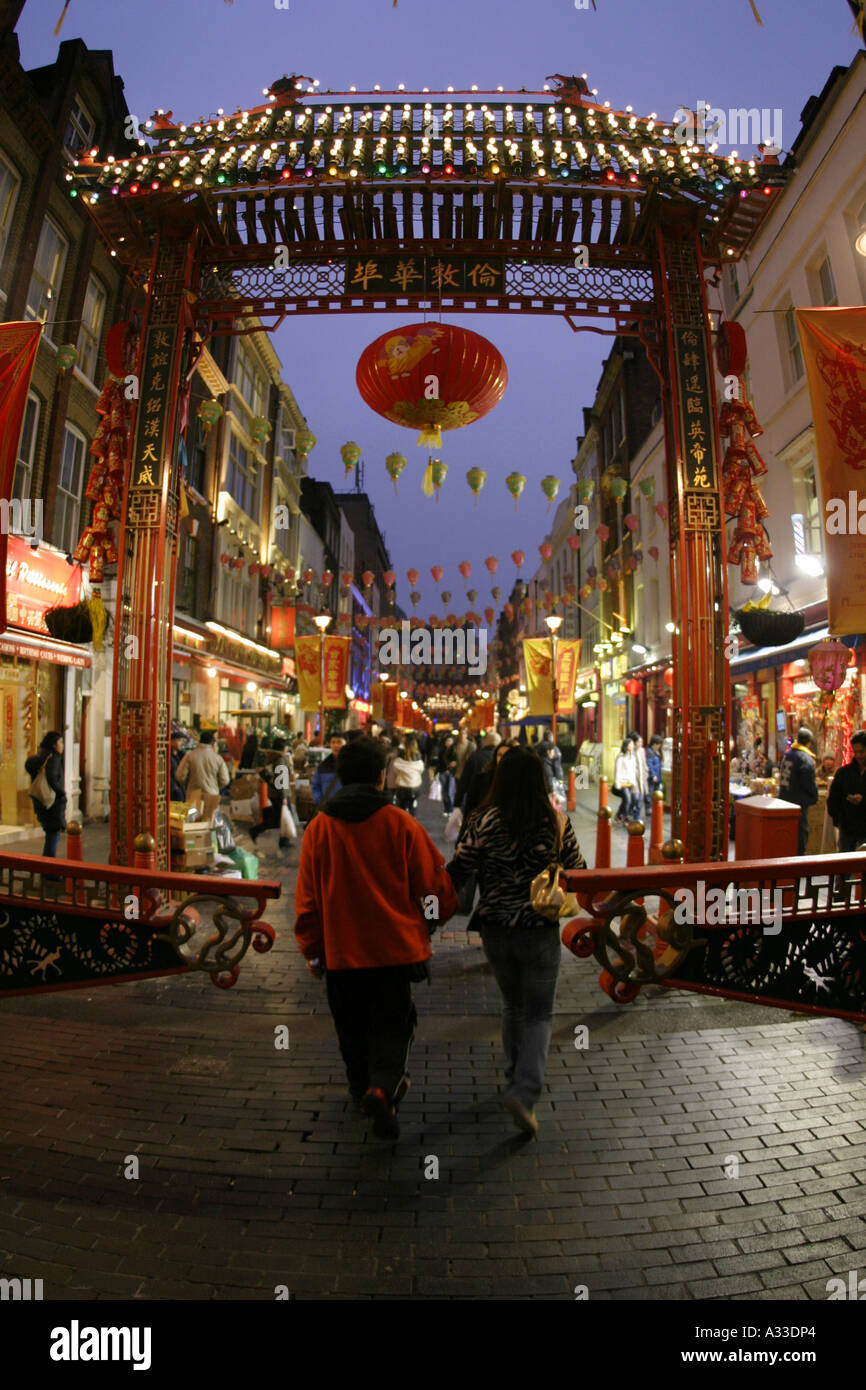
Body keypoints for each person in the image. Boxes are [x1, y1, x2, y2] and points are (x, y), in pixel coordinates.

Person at [294, 737, 457, 1140]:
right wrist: (432, 920)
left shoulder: (319, 829)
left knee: (350, 1028)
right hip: (393, 952)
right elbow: (433, 888)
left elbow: (308, 901)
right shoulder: (400, 824)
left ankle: (360, 1091)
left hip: (341, 954)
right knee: (392, 1025)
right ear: (381, 776)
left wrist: (313, 951)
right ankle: (383, 1089)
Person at [446, 747, 586, 1137]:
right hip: (538, 928)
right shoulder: (554, 821)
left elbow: (460, 868)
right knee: (540, 1013)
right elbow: (579, 871)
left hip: (494, 928)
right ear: (541, 780)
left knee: (513, 1004)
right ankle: (524, 1092)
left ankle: (514, 1075)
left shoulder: (482, 819)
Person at [25, 731, 67, 858]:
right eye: (60, 742)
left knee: (51, 836)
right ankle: (49, 869)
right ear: (54, 745)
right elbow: (52, 780)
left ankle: (47, 866)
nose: (62, 745)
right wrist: (62, 793)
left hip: (43, 803)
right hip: (51, 804)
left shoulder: (43, 757)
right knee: (52, 837)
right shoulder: (53, 759)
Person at [778, 726, 819, 856]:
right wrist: (814, 797)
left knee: (786, 835)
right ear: (808, 742)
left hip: (784, 800)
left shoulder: (788, 754)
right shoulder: (805, 758)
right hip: (799, 802)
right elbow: (808, 782)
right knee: (800, 836)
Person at [250, 737, 295, 848]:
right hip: (280, 794)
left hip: (274, 793)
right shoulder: (280, 760)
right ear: (284, 748)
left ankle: (283, 840)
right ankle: (256, 831)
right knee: (281, 818)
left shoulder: (272, 758)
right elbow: (281, 782)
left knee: (279, 818)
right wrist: (284, 797)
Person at [827, 731, 866, 856]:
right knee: (844, 868)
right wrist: (838, 820)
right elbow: (833, 799)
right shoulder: (844, 773)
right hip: (847, 829)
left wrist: (863, 800)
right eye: (856, 752)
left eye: (862, 752)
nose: (859, 755)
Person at [176, 729, 229, 818]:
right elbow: (225, 780)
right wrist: (214, 786)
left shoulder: (189, 756)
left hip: (192, 797)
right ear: (212, 743)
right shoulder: (218, 758)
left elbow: (180, 776)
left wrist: (188, 785)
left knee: (193, 825)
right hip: (212, 797)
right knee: (210, 824)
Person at [455, 729, 501, 811]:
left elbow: (464, 781)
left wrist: (458, 802)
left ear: (485, 742)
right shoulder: (503, 758)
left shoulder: (475, 757)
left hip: (476, 799)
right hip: (497, 801)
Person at [391, 736, 425, 816]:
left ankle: (401, 822)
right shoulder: (418, 756)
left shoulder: (401, 754)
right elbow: (421, 770)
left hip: (402, 785)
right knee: (412, 807)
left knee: (401, 807)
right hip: (414, 785)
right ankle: (412, 822)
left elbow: (395, 769)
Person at [312, 733, 346, 807]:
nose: (336, 745)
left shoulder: (351, 765)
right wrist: (319, 802)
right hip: (327, 808)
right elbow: (316, 786)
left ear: (346, 744)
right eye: (333, 742)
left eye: (339, 742)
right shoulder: (323, 766)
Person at [613, 737, 639, 824]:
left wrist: (634, 782)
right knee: (627, 799)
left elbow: (633, 771)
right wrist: (618, 784)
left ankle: (618, 815)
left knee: (627, 800)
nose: (632, 746)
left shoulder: (633, 756)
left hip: (630, 783)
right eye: (631, 744)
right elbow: (617, 771)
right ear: (626, 745)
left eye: (632, 744)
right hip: (622, 783)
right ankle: (626, 817)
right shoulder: (621, 757)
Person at [627, 731, 649, 815]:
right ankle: (628, 812)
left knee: (641, 798)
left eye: (641, 742)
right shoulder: (630, 752)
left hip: (642, 778)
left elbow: (644, 763)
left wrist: (646, 772)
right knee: (635, 797)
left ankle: (637, 816)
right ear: (634, 743)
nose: (641, 743)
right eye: (639, 742)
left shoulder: (642, 751)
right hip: (634, 779)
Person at [436, 734, 457, 814]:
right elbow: (439, 763)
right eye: (447, 741)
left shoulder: (455, 751)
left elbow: (457, 761)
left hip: (452, 773)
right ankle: (446, 809)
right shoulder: (441, 751)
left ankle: (450, 809)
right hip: (442, 772)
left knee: (450, 791)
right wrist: (436, 773)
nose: (448, 742)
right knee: (444, 791)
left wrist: (455, 764)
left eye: (450, 741)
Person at [645, 734, 663, 813]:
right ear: (654, 744)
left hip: (657, 775)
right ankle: (649, 808)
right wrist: (653, 775)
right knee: (650, 792)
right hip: (652, 777)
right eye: (658, 745)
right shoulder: (649, 752)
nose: (659, 747)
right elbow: (650, 765)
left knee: (656, 791)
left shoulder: (656, 752)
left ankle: (655, 807)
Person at [169, 732, 187, 802]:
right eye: (179, 740)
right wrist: (175, 788)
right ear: (172, 742)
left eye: (182, 741)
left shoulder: (181, 756)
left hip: (180, 790)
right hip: (174, 793)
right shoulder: (168, 758)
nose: (181, 743)